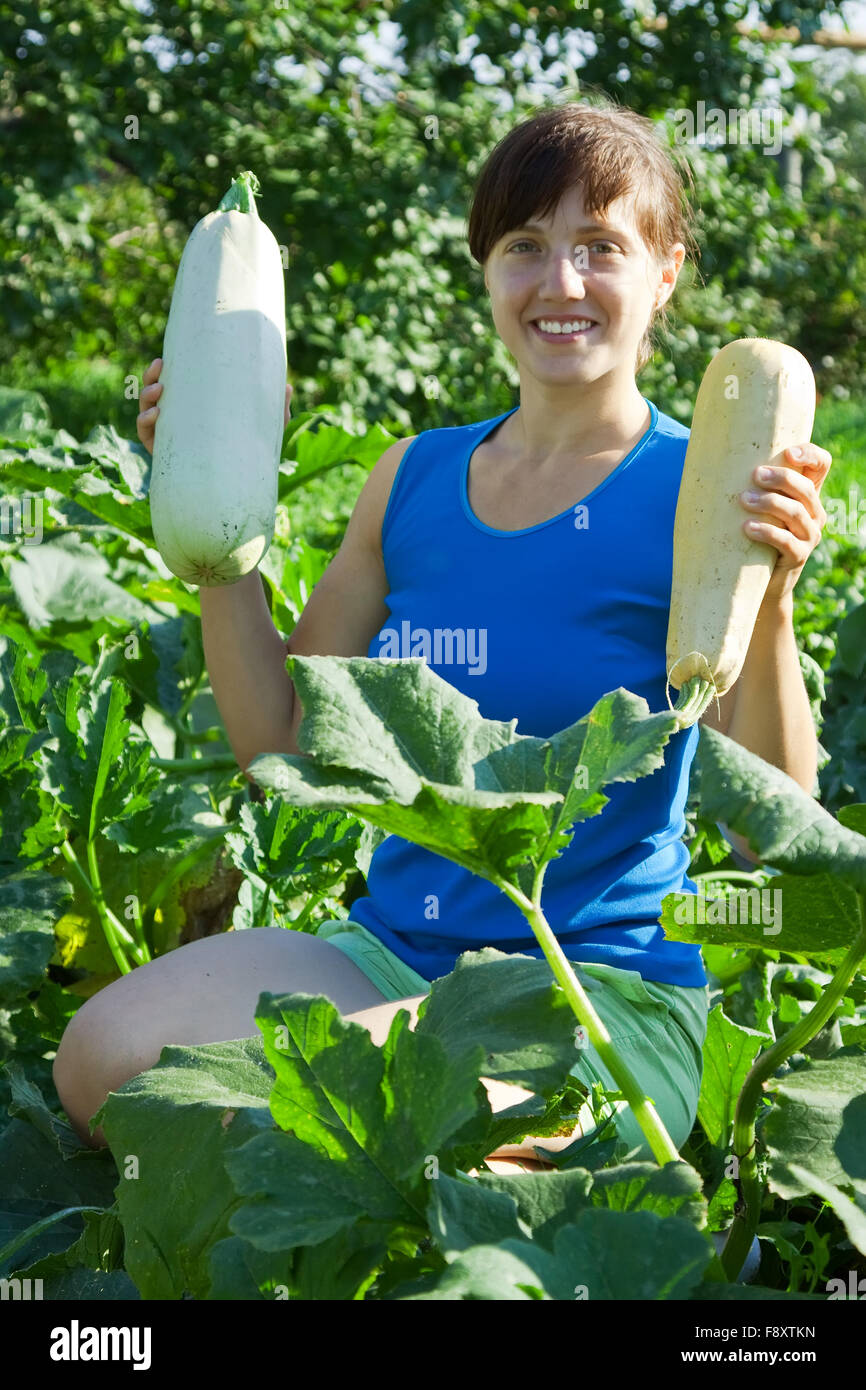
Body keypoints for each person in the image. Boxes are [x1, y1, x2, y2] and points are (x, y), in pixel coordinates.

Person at [53, 98, 831, 1173]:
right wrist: (216, 488)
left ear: (664, 272)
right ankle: (506, 1167)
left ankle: (587, 1159)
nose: (559, 284)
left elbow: (765, 844)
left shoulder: (701, 490)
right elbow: (278, 737)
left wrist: (772, 597)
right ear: (485, 272)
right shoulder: (409, 479)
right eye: (524, 247)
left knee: (324, 1110)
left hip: (590, 989)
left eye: (599, 247)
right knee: (104, 1057)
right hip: (393, 953)